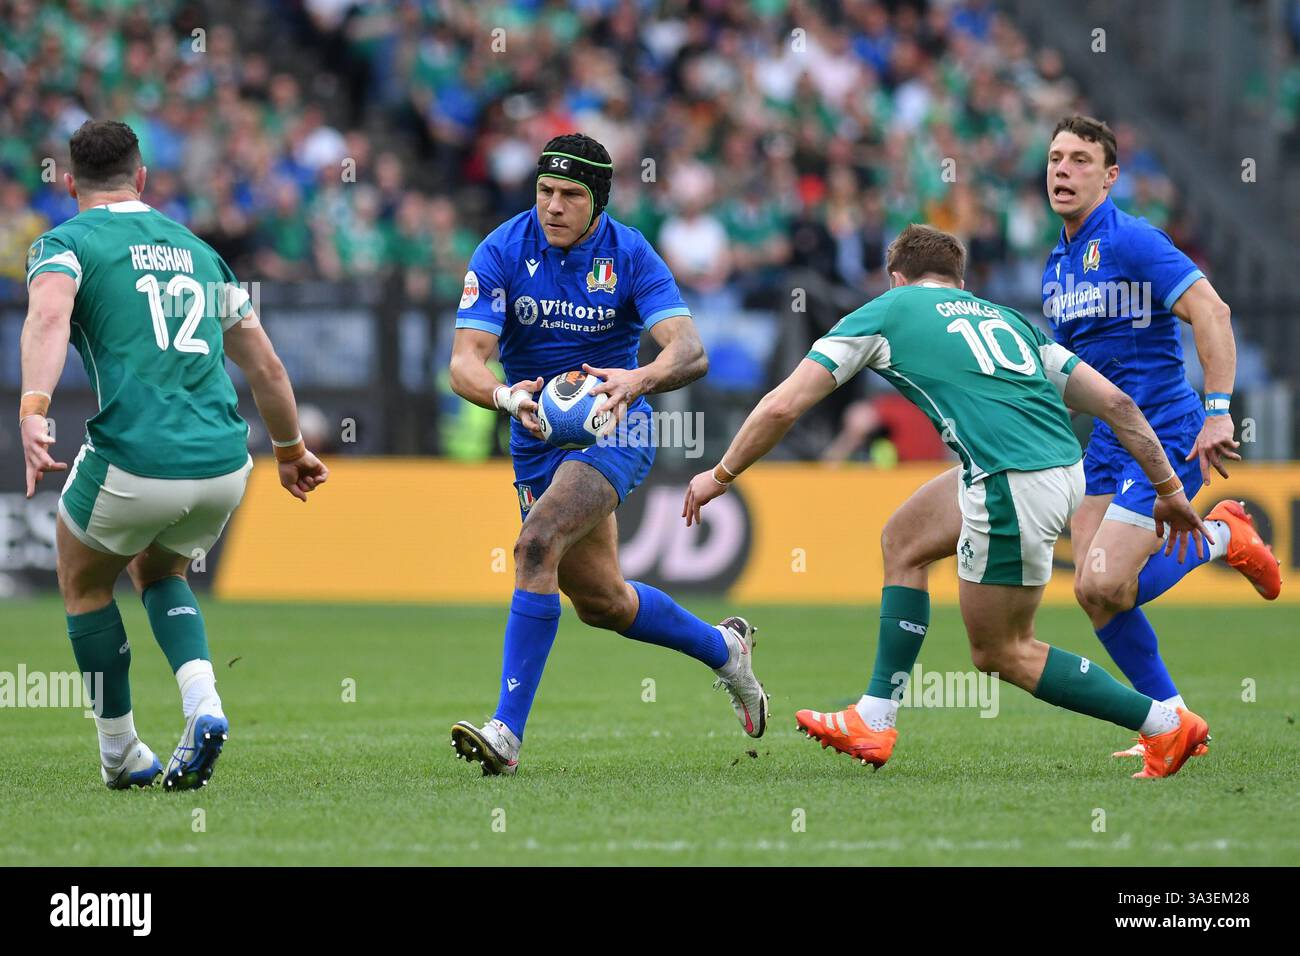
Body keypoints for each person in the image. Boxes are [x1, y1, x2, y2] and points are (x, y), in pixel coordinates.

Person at [684, 224, 1212, 779]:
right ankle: (875, 716)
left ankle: (1164, 725)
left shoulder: (889, 309)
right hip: (1055, 469)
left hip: (1011, 480)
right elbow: (1119, 404)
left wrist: (721, 474)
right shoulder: (1007, 319)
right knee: (904, 540)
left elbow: (781, 407)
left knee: (1002, 652)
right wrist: (1170, 491)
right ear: (959, 282)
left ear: (896, 278)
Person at [20, 120, 327, 791]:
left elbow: (46, 316)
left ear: (70, 185)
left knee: (82, 580)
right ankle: (204, 705)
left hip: (137, 457)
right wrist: (291, 450)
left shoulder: (65, 243)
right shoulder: (198, 251)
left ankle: (121, 751)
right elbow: (267, 367)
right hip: (224, 462)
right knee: (158, 570)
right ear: (144, 179)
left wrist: (33, 409)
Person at [447, 133, 767, 776]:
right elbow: (464, 364)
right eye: (545, 191)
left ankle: (506, 733)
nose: (553, 207)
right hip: (536, 434)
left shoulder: (630, 253)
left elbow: (689, 350)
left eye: (570, 195)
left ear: (599, 201)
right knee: (602, 602)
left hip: (617, 428)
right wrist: (509, 399)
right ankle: (724, 648)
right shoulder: (502, 249)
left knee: (535, 544)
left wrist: (636, 380)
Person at [1043, 115, 1280, 757]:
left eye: (1080, 161)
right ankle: (1175, 724)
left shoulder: (1132, 240)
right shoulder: (1057, 264)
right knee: (1096, 594)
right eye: (1056, 158)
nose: (1062, 170)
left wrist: (1219, 410)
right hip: (1107, 442)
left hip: (1167, 428)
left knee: (1101, 583)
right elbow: (1069, 373)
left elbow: (1212, 309)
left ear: (1110, 176)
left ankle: (1225, 533)